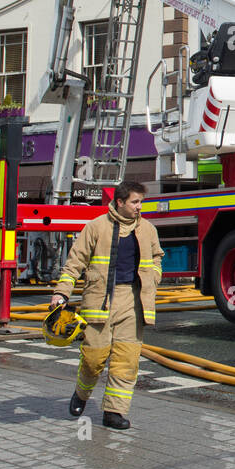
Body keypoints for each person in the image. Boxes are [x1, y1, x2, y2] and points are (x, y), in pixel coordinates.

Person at [50, 180, 163, 429]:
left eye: (141, 202)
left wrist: (154, 275)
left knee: (127, 361)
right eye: (135, 202)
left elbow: (157, 257)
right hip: (99, 302)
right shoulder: (96, 227)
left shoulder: (147, 229)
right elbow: (75, 262)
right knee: (94, 358)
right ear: (120, 202)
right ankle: (81, 393)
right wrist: (61, 293)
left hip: (134, 301)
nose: (139, 207)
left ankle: (114, 412)